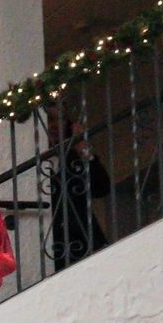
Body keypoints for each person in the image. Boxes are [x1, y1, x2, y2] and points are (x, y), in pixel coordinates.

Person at [47, 113, 110, 270]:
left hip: (85, 240)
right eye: (49, 119)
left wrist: (84, 149)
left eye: (59, 118)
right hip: (54, 249)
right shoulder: (32, 162)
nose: (54, 125)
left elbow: (101, 188)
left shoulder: (73, 158)